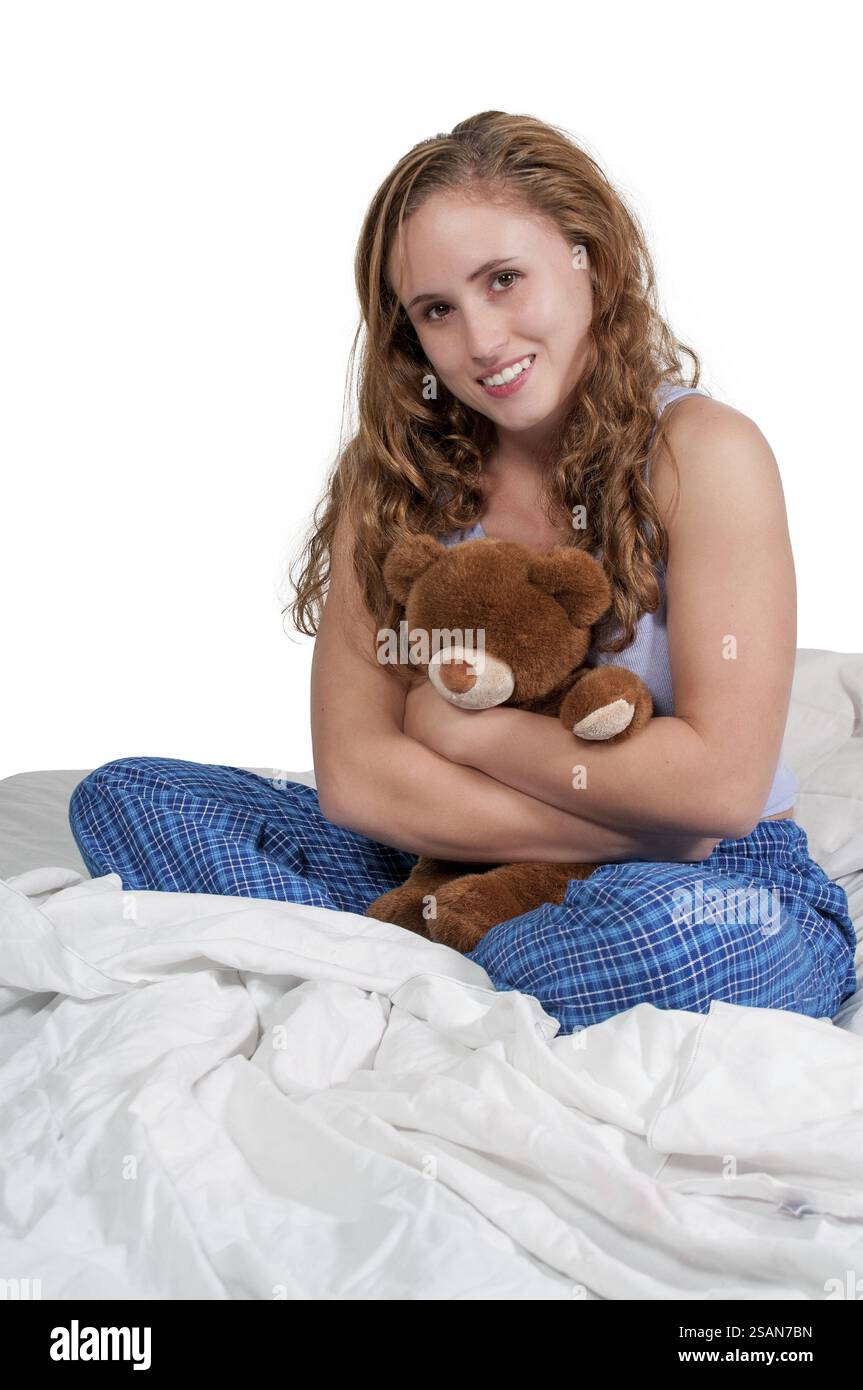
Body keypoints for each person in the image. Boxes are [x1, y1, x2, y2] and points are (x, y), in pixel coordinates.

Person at [69, 110, 857, 1034]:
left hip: (697, 874)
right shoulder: (396, 475)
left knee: (664, 941)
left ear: (587, 258)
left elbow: (718, 796)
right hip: (443, 860)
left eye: (503, 280)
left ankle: (392, 969)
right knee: (130, 799)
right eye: (437, 310)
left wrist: (457, 731)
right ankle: (455, 969)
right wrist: (630, 817)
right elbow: (358, 783)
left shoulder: (699, 451)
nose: (481, 342)